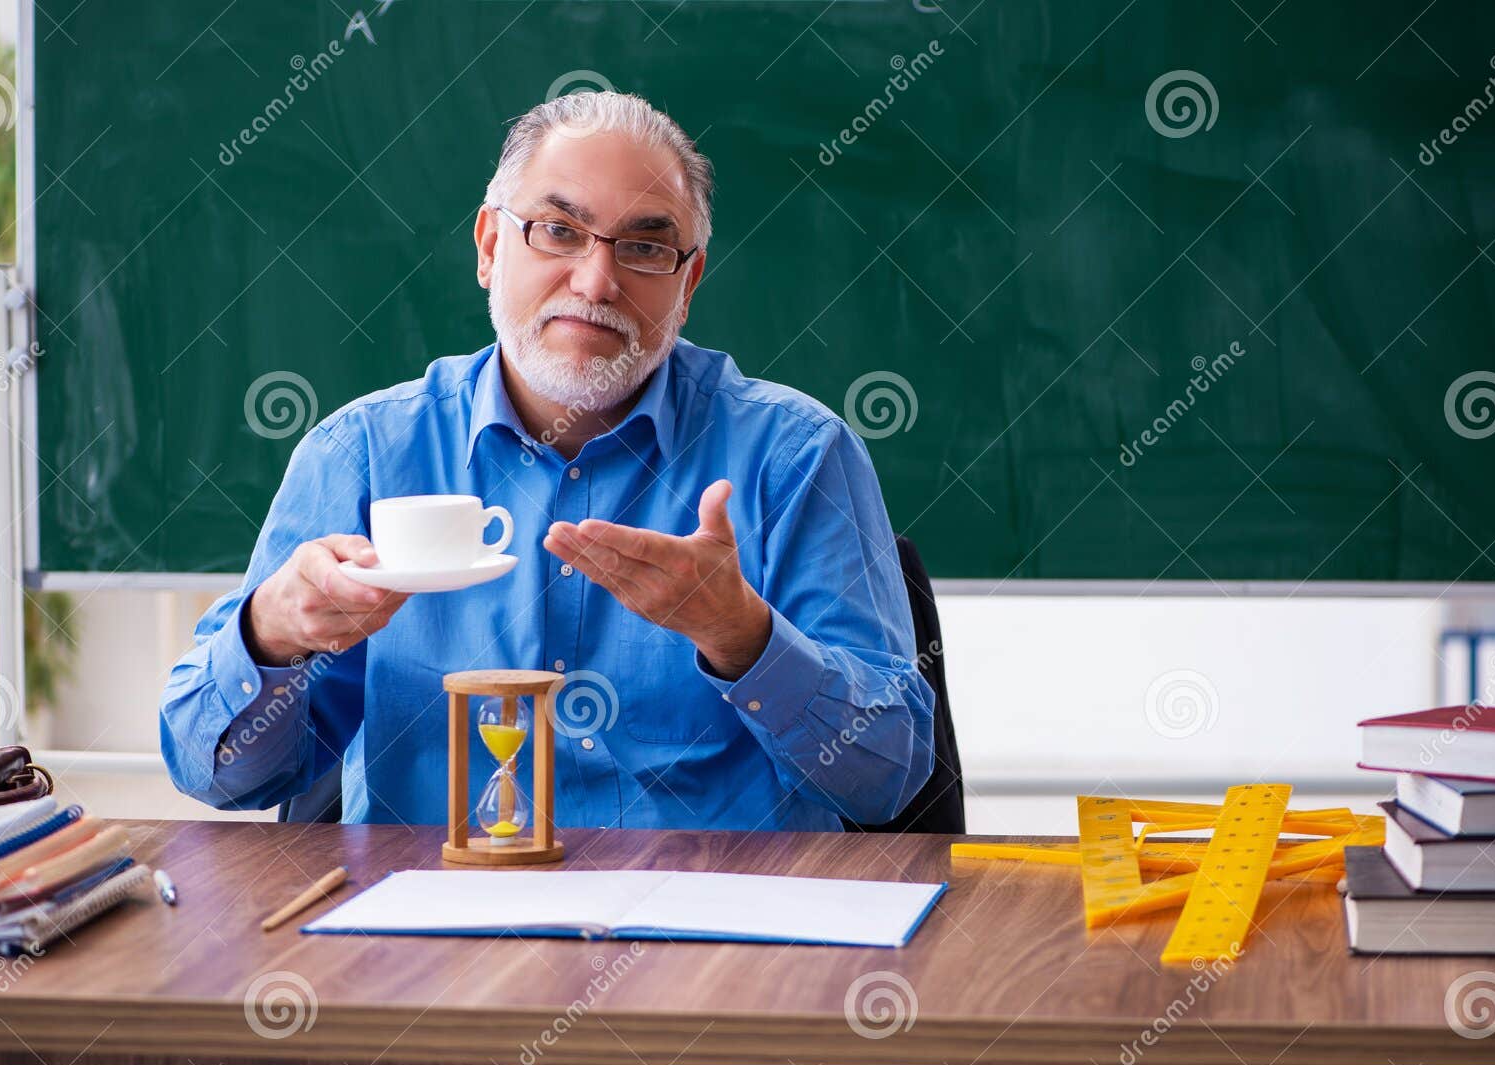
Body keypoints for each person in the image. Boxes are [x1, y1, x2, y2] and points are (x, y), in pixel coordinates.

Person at [159, 91, 934, 830]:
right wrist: (271, 633)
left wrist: (743, 636)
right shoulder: (361, 453)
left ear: (687, 283)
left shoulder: (798, 456)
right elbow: (217, 774)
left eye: (644, 246)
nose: (597, 281)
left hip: (712, 941)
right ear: (491, 246)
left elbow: (888, 776)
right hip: (433, 939)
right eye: (558, 231)